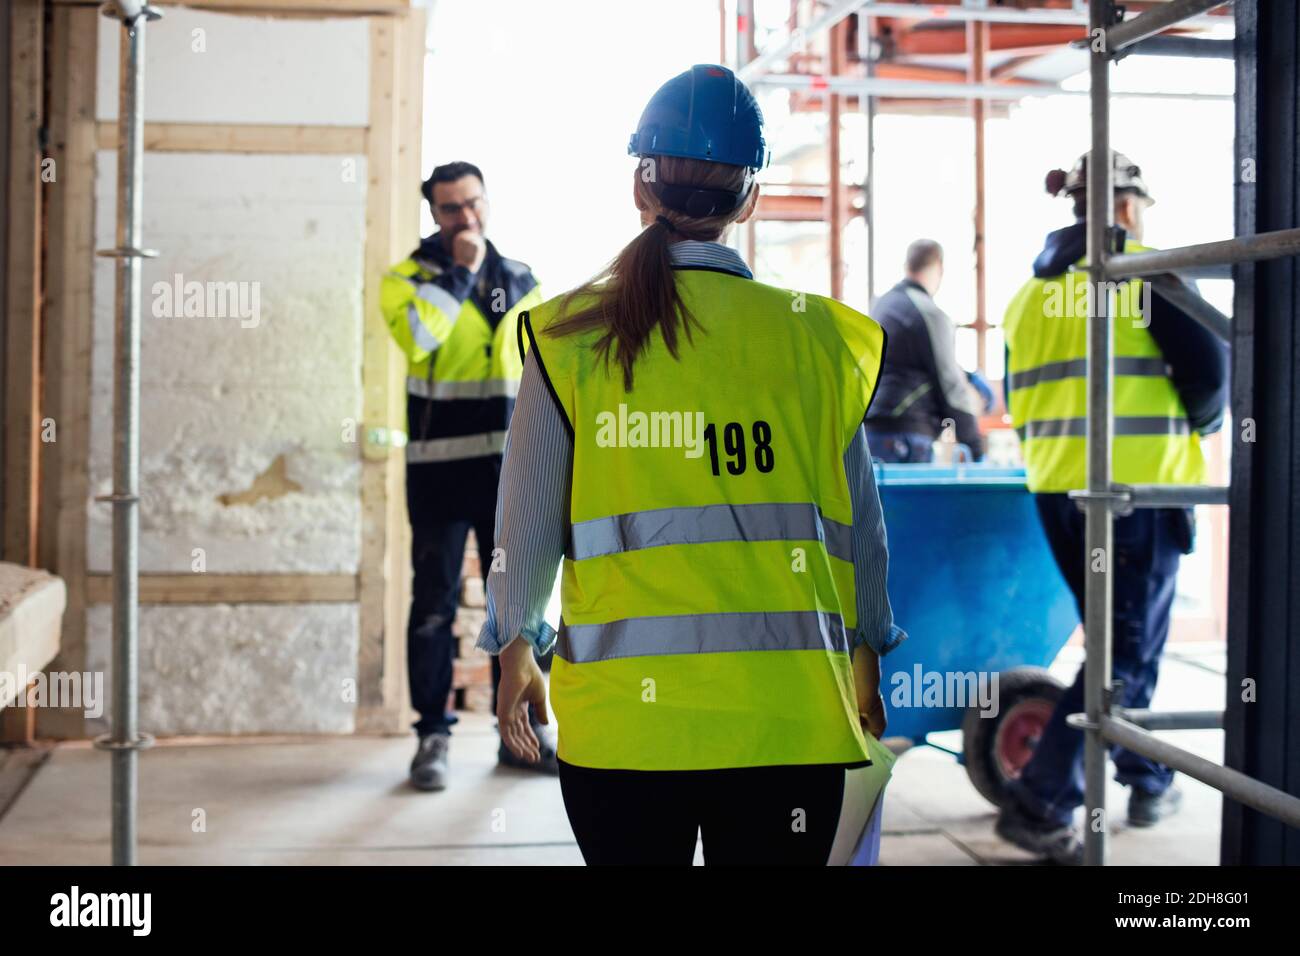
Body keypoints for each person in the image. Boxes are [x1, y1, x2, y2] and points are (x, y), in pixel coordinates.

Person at [475, 64, 906, 866]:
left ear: (642, 187)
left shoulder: (569, 340)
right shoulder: (819, 340)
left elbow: (522, 531)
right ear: (749, 199)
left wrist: (515, 651)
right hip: (788, 724)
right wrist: (867, 652)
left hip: (625, 736)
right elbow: (859, 531)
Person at [996, 150, 1228, 863]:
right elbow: (1215, 376)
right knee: (1123, 654)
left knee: (1120, 643)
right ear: (1127, 207)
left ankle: (1146, 774)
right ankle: (1040, 799)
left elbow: (1015, 398)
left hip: (1056, 492)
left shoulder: (1027, 299)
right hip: (1134, 491)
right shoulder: (1142, 272)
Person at [379, 161, 555, 791]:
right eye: (452, 209)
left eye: (474, 203)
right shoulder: (407, 280)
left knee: (522, 600)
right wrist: (457, 272)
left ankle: (526, 734)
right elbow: (421, 337)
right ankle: (432, 736)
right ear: (435, 214)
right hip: (438, 473)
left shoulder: (521, 280)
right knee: (433, 604)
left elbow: (543, 371)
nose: (467, 218)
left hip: (509, 471)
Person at [864, 239, 988, 463]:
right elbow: (952, 388)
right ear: (939, 267)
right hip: (906, 438)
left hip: (870, 433)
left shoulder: (882, 306)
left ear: (907, 265)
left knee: (881, 499)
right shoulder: (928, 313)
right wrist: (976, 449)